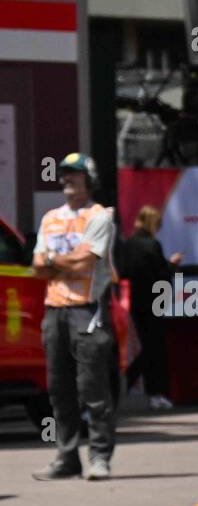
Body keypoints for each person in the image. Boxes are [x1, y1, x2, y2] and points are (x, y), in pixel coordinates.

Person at [30, 153, 118, 482]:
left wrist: (53, 259)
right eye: (65, 174)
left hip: (87, 309)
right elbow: (37, 268)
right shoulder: (50, 217)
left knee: (93, 388)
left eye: (75, 175)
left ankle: (99, 456)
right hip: (54, 310)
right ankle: (66, 457)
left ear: (89, 180)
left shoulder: (100, 216)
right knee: (58, 389)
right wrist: (59, 260)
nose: (67, 179)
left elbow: (86, 264)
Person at [120, 205, 180, 410]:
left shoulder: (128, 245)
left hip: (136, 301)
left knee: (148, 346)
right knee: (155, 348)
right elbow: (162, 273)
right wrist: (173, 264)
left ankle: (137, 386)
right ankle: (141, 386)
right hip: (155, 301)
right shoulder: (152, 245)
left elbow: (122, 271)